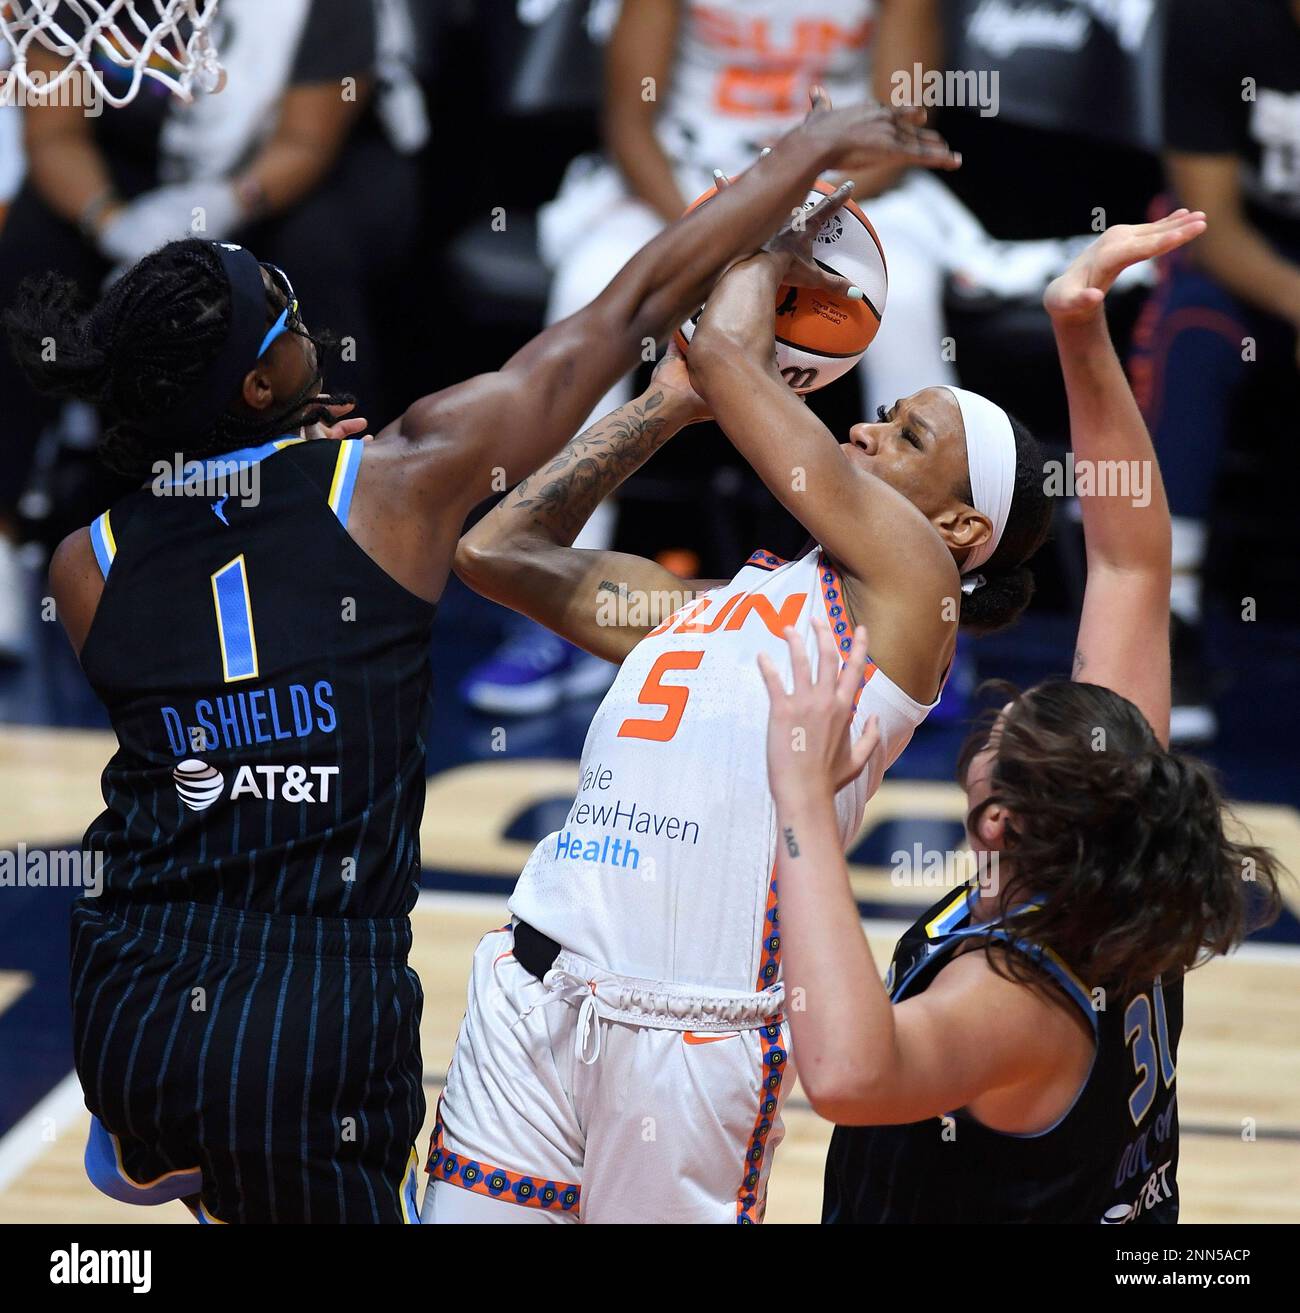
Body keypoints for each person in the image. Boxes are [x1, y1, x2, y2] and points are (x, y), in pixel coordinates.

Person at [7, 96, 925, 1222]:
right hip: (308, 1006)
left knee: (197, 1070)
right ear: (259, 386)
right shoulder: (402, 479)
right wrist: (804, 156)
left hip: (132, 980)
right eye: (284, 315)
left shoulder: (80, 565)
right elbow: (624, 306)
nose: (306, 312)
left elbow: (221, 613)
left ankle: (158, 1138)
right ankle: (214, 1141)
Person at [428, 150, 1054, 1223]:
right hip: (532, 992)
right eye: (883, 411)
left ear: (960, 531)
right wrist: (665, 408)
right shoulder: (702, 607)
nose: (863, 425)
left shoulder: (913, 599)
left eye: (906, 436)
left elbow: (729, 347)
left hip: (691, 1030)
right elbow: (494, 546)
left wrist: (783, 214)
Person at [760, 211, 1285, 1223]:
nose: (1009, 701)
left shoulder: (1014, 994)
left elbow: (850, 1075)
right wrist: (1077, 328)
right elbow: (1132, 560)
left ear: (996, 823)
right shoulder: (1126, 842)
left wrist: (801, 809)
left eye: (1011, 726)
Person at [460, 0, 947, 715]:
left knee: (904, 307)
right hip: (688, 182)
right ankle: (551, 615)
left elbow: (903, 127)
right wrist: (718, 230)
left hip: (840, 193)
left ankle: (926, 616)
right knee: (588, 286)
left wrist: (790, 210)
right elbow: (631, 123)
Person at [0, 0, 429, 660]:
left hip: (302, 164)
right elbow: (54, 137)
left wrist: (219, 210)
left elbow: (305, 142)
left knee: (315, 247)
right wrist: (111, 223)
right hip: (140, 169)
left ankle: (344, 530)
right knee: (32, 235)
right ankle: (5, 533)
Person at [1129, 0, 1300, 744]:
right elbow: (1209, 225)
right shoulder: (1214, 15)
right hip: (1246, 259)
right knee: (1188, 334)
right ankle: (1170, 617)